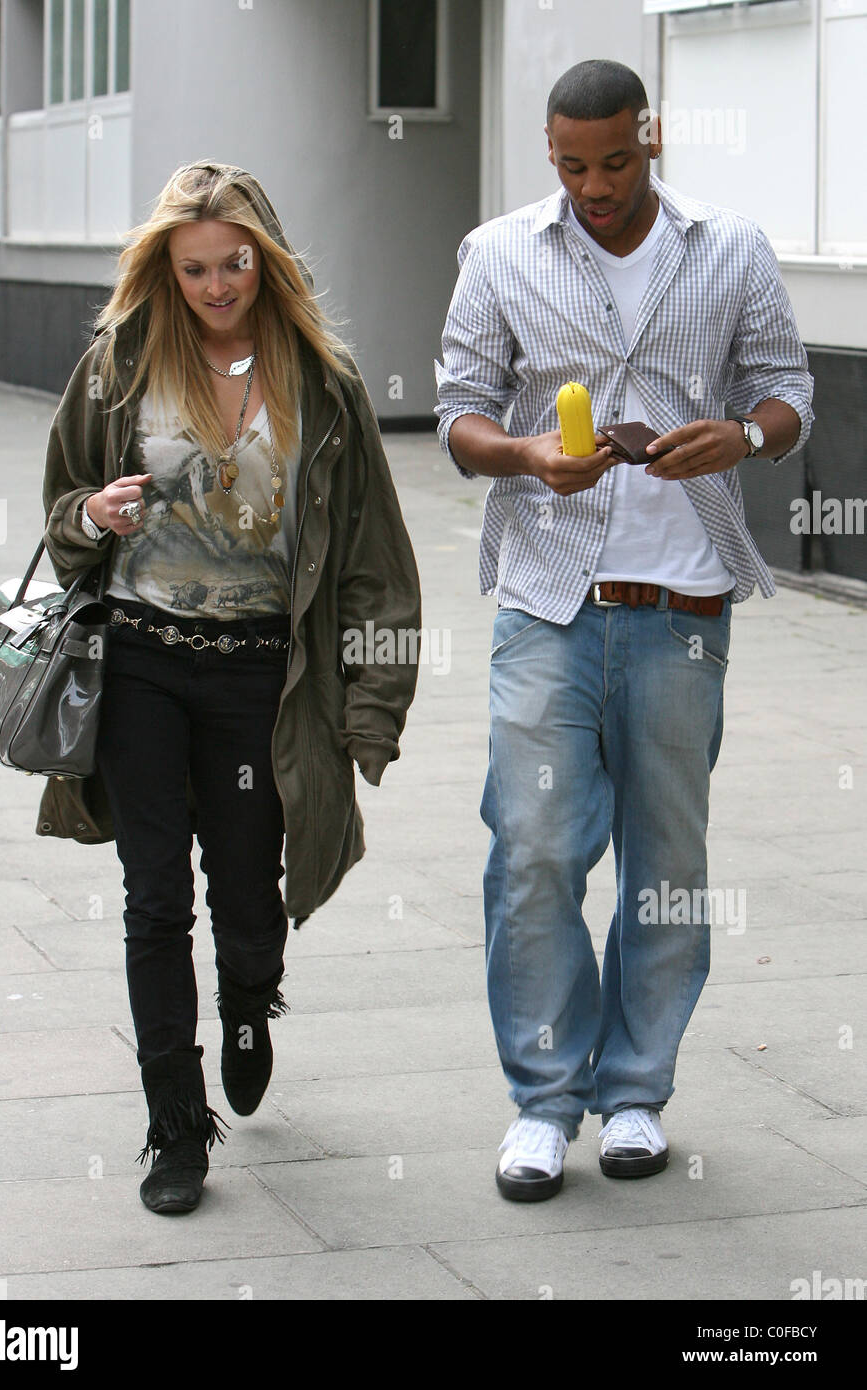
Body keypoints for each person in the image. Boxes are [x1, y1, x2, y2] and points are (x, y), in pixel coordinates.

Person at [435, 61, 813, 1200]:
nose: (593, 187)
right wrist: (526, 457)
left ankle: (637, 1091)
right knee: (536, 851)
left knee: (670, 864)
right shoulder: (498, 251)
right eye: (570, 166)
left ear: (647, 139)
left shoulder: (730, 246)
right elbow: (456, 413)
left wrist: (743, 437)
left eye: (613, 162)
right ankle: (544, 1104)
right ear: (548, 152)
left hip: (682, 608)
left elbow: (789, 390)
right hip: (546, 602)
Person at [40, 161, 421, 1213]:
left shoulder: (324, 382)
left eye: (234, 264)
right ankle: (174, 1126)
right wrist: (94, 515)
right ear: (167, 268)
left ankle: (249, 999)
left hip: (265, 677)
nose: (216, 286)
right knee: (153, 898)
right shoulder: (121, 364)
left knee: (249, 898)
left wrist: (370, 711)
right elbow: (62, 506)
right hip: (143, 666)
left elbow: (374, 563)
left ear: (267, 258)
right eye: (195, 268)